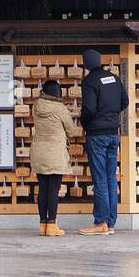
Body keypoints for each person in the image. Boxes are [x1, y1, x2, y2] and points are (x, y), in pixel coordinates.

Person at [77, 48, 128, 235]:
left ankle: (101, 222)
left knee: (99, 179)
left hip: (97, 134)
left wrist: (85, 122)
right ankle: (111, 222)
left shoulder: (89, 81)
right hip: (113, 134)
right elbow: (125, 100)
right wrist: (111, 115)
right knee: (110, 178)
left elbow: (89, 108)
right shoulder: (114, 78)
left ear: (86, 64)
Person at [31, 79, 81, 236]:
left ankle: (42, 225)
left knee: (43, 188)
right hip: (55, 153)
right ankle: (52, 225)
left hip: (38, 151)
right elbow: (72, 132)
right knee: (53, 190)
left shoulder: (36, 106)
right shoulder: (60, 108)